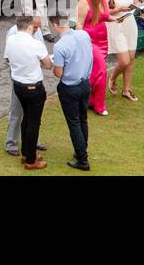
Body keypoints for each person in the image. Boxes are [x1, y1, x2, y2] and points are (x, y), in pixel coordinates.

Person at [4, 15, 52, 170]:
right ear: (30, 27)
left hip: (18, 85)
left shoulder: (11, 40)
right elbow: (48, 64)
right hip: (33, 87)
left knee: (26, 119)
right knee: (33, 122)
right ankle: (31, 160)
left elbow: (9, 59)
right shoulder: (35, 44)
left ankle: (26, 153)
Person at [50, 16, 94, 171]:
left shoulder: (59, 46)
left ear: (55, 25)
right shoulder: (84, 35)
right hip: (85, 84)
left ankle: (82, 159)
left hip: (70, 88)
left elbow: (58, 73)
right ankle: (81, 150)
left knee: (74, 123)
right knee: (83, 119)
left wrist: (54, 64)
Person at [75, 0, 110, 117]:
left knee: (94, 73)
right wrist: (80, 44)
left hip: (103, 41)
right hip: (90, 42)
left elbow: (105, 16)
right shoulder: (84, 2)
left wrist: (118, 15)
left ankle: (88, 99)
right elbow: (79, 24)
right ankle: (99, 106)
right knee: (102, 71)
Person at [105, 0, 140, 101]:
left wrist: (139, 5)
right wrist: (118, 9)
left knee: (131, 59)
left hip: (130, 24)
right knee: (124, 61)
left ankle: (126, 89)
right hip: (116, 25)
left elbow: (136, 0)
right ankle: (112, 78)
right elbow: (103, 11)